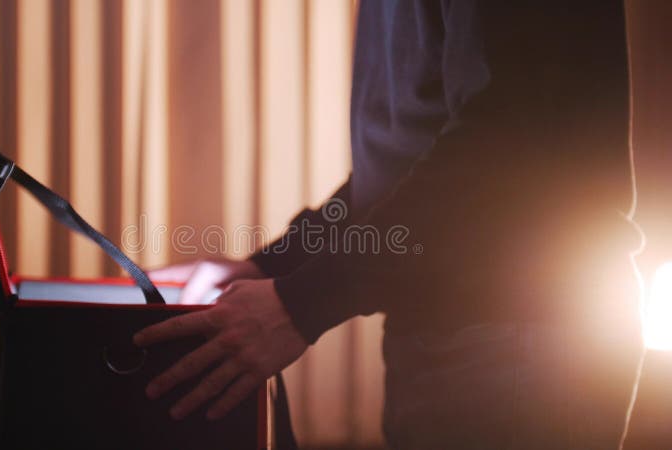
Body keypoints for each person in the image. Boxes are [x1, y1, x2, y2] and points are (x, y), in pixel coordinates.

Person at [132, 1, 646, 448]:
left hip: (518, 341)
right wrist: (268, 266)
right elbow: (397, 170)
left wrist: (300, 303)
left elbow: (500, 144)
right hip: (456, 339)